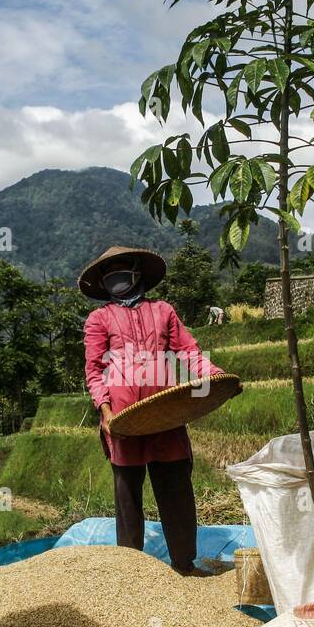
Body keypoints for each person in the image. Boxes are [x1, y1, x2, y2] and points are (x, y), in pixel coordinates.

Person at [80, 246, 222, 576]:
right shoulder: (99, 319)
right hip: (124, 420)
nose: (116, 277)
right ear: (103, 281)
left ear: (136, 272)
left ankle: (184, 563)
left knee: (176, 488)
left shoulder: (163, 311)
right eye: (109, 272)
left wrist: (215, 377)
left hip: (164, 416)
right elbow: (94, 369)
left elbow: (189, 354)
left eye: (121, 269)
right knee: (128, 495)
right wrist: (105, 409)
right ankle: (132, 572)